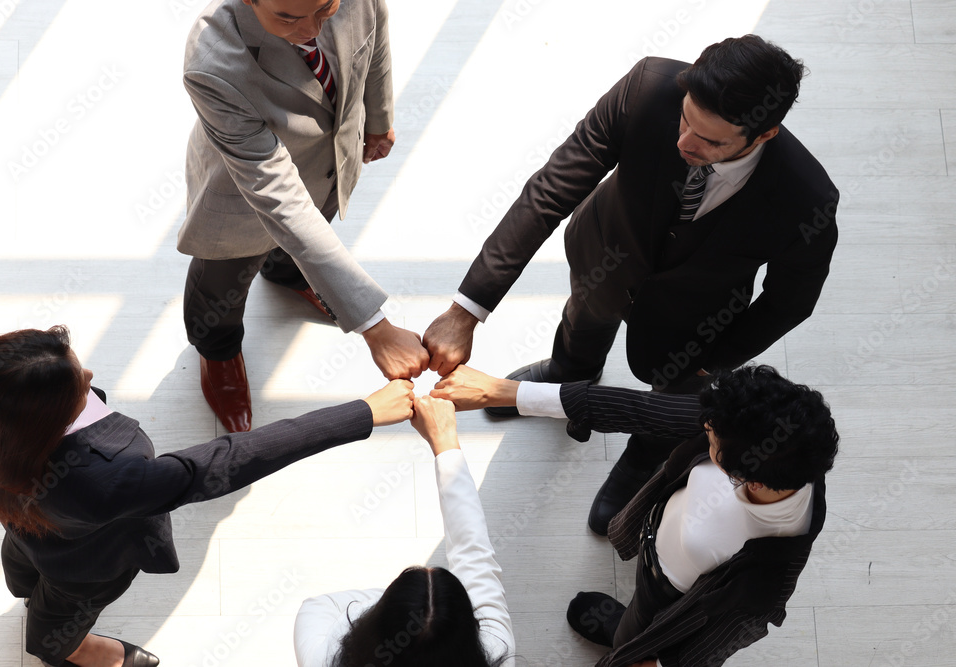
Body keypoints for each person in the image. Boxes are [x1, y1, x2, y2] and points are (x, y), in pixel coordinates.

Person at [422, 35, 839, 535]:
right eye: (685, 119)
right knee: (582, 318)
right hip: (605, 253)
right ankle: (568, 371)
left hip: (700, 318)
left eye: (711, 141)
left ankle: (642, 459)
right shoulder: (646, 88)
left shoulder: (807, 198)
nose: (686, 142)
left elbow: (791, 300)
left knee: (676, 395)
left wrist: (713, 361)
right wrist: (466, 310)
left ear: (764, 134)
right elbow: (550, 189)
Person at [0, 326, 415, 667]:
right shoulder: (104, 481)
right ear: (43, 423)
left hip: (23, 526)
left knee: (23, 570)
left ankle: (27, 593)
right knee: (52, 629)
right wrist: (364, 413)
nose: (90, 374)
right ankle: (70, 651)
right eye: (78, 382)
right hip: (85, 565)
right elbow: (226, 460)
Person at [431, 364, 838, 667]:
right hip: (654, 548)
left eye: (711, 439)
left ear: (751, 478)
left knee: (642, 629)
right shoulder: (771, 442)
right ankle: (629, 627)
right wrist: (504, 392)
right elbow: (641, 410)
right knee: (637, 612)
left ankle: (631, 638)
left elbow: (722, 639)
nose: (703, 427)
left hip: (670, 594)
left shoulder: (765, 578)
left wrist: (658, 662)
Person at [180, 0, 428, 433]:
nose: (312, 30)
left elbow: (374, 40)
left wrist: (377, 116)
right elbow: (280, 198)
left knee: (302, 240)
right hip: (244, 197)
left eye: (326, 9)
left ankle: (289, 274)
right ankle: (218, 351)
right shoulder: (213, 63)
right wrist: (375, 327)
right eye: (288, 18)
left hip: (326, 168)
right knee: (220, 289)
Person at [294, 396, 515, 667]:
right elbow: (475, 554)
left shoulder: (323, 657)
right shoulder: (497, 649)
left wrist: (385, 603)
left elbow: (318, 607)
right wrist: (445, 443)